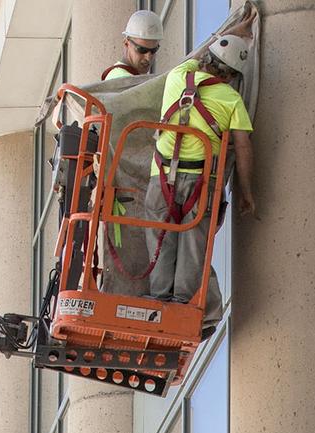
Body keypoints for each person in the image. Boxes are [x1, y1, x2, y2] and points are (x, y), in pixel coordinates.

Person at [143, 9, 256, 333]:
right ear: (233, 75)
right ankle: (181, 308)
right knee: (194, 245)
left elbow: (205, 50)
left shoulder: (181, 75)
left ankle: (159, 302)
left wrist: (237, 27)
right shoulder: (231, 99)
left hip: (161, 177)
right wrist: (246, 193)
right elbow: (244, 148)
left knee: (161, 240)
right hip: (200, 184)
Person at [102, 10, 164, 80]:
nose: (148, 58)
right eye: (142, 49)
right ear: (126, 43)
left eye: (153, 50)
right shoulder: (122, 80)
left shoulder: (129, 77)